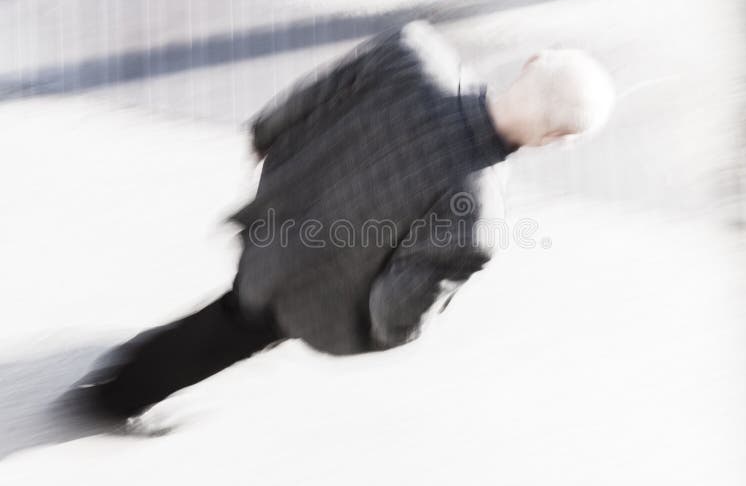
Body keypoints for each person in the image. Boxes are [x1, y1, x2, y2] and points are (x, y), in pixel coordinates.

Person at [66, 21, 614, 421]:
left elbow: (314, 95)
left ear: (532, 62)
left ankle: (137, 368)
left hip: (276, 211)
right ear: (554, 139)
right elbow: (395, 310)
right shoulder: (476, 213)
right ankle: (117, 392)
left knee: (236, 305)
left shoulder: (412, 53)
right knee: (231, 329)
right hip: (305, 289)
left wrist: (265, 134)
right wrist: (385, 335)